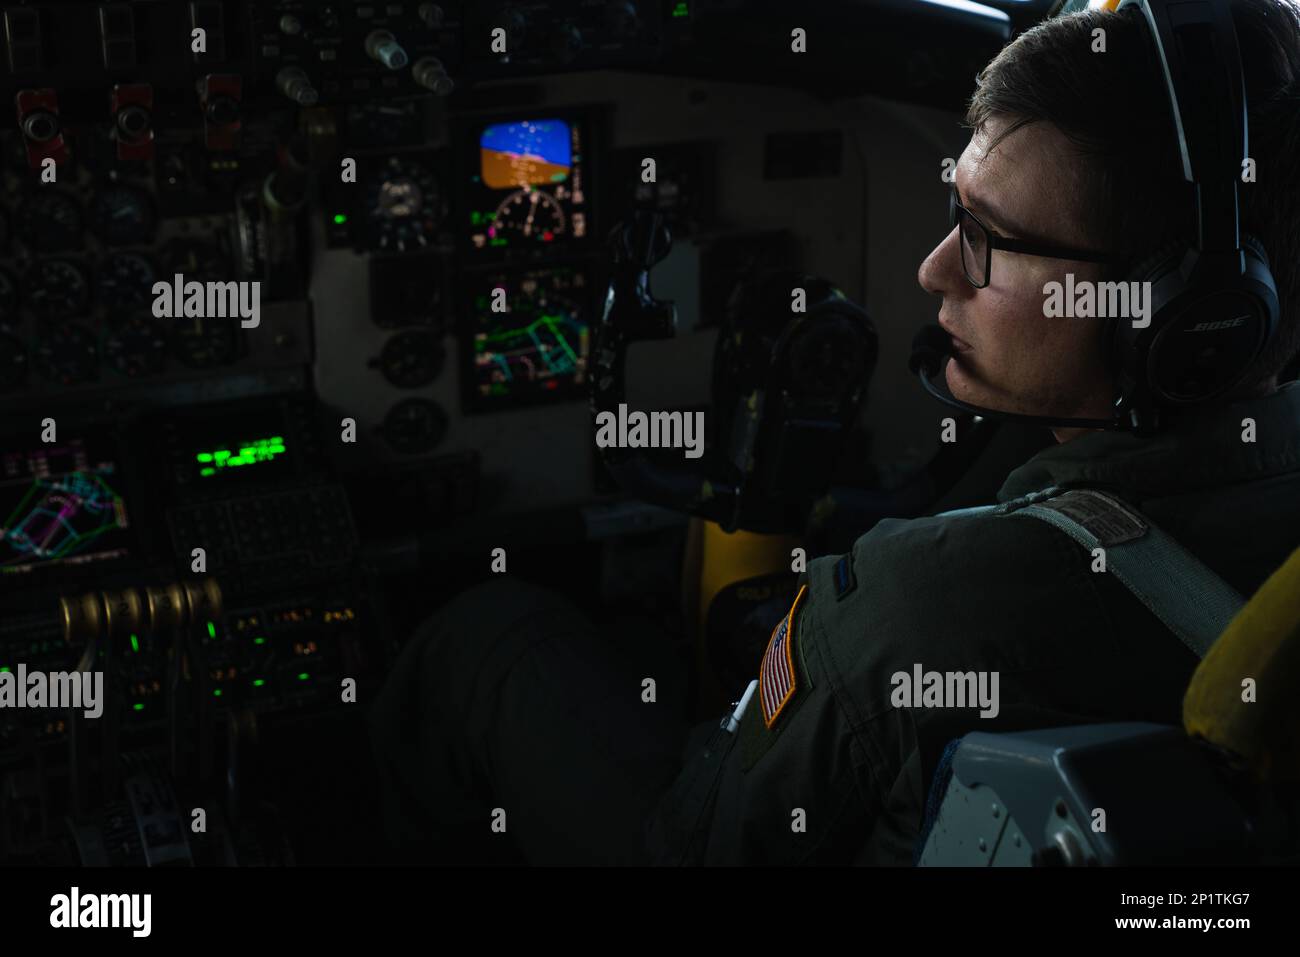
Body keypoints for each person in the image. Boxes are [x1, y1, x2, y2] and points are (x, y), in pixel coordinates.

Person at [368, 0, 1300, 865]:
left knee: (484, 638)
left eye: (988, 236)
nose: (935, 269)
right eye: (955, 214)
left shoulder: (915, 608)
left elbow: (697, 841)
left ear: (1188, 318)